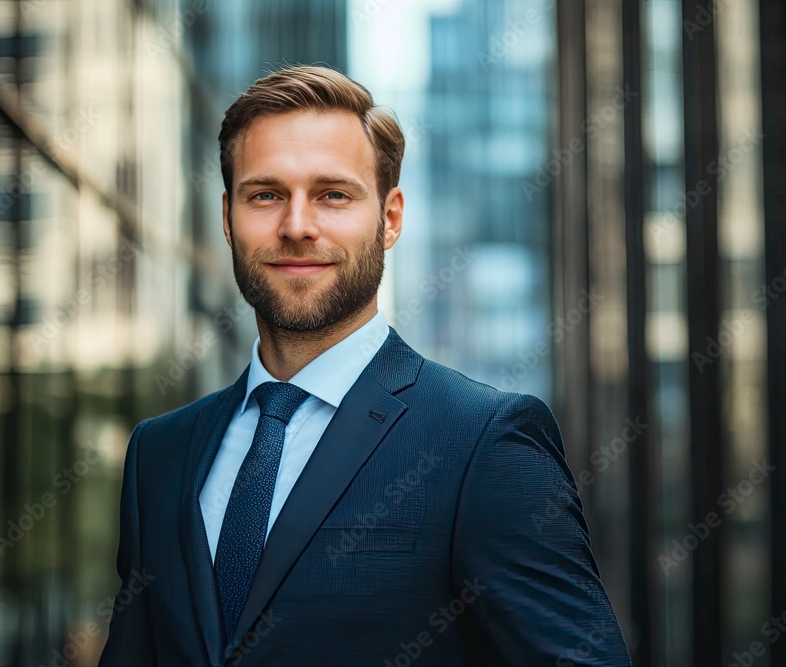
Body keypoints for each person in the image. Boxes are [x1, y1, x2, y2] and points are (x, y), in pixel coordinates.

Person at [98, 65, 631, 666]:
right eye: (265, 195)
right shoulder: (160, 453)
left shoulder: (483, 442)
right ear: (227, 218)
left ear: (390, 218)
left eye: (333, 194)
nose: (297, 226)